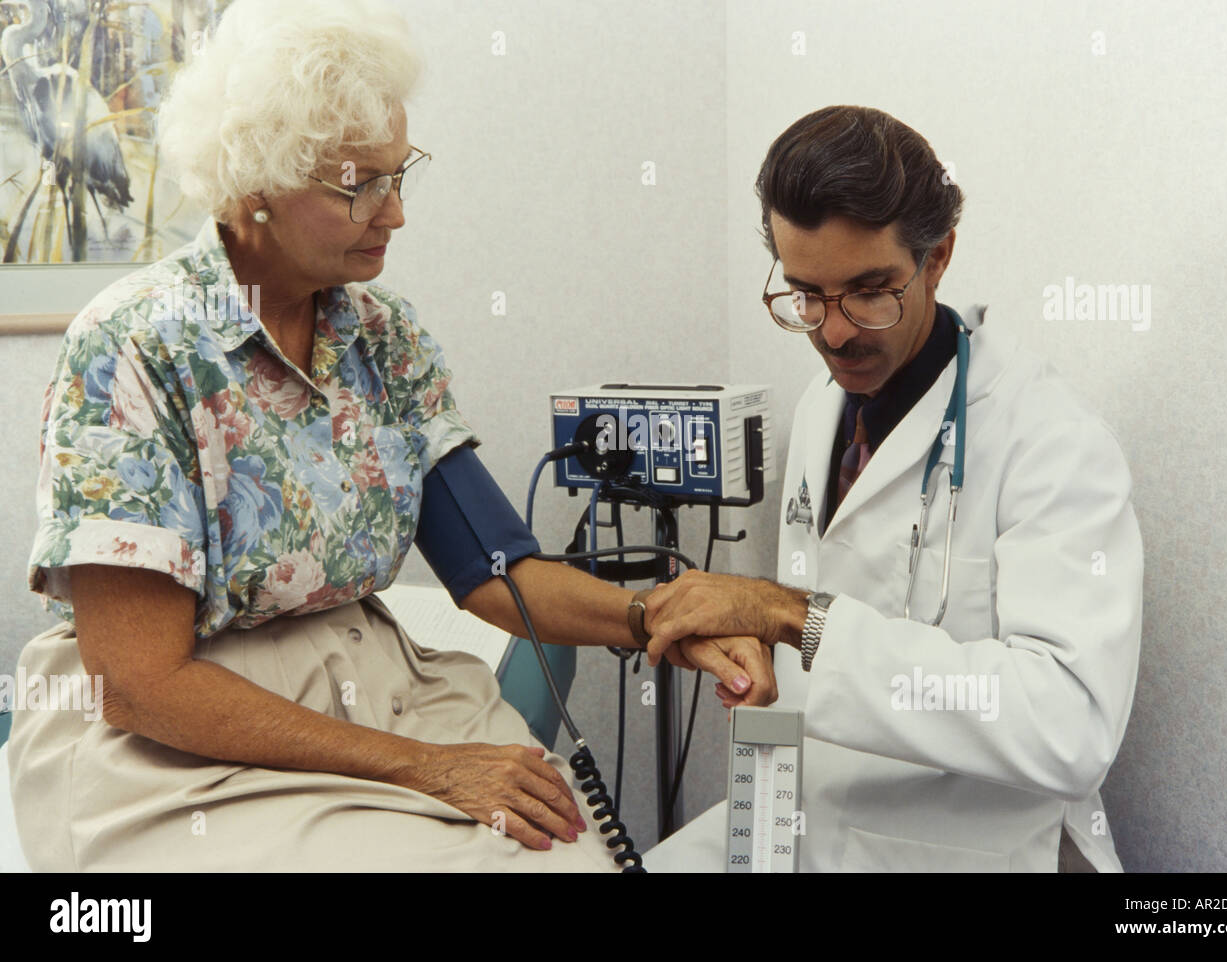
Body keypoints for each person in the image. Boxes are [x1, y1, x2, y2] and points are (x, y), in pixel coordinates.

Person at [7, 0, 774, 872]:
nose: (395, 213)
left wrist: (659, 620)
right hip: (185, 739)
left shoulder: (385, 338)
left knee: (562, 852)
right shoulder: (134, 345)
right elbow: (141, 683)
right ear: (255, 185)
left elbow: (501, 576)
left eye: (398, 174)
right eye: (356, 185)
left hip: (376, 687)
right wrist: (431, 771)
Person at [640, 106, 1143, 873]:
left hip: (974, 850)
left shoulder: (1050, 440)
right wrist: (765, 650)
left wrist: (788, 614)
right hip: (814, 825)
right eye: (806, 294)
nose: (834, 332)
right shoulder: (824, 406)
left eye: (870, 291)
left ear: (937, 258)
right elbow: (820, 662)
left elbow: (1071, 728)